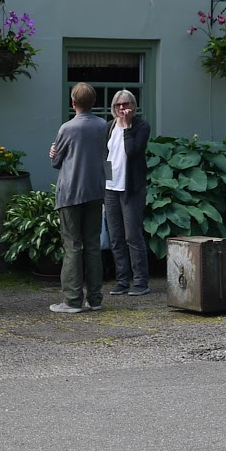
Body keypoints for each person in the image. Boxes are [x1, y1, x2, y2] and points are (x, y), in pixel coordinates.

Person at [47, 81, 108, 313]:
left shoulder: (67, 128)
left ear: (73, 102)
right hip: (95, 189)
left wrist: (53, 152)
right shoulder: (104, 125)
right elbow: (106, 155)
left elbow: (56, 160)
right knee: (93, 244)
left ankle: (72, 300)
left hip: (71, 191)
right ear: (94, 102)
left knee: (72, 245)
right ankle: (95, 299)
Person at [102, 89, 151, 295]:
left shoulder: (141, 126)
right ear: (113, 108)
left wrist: (127, 127)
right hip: (111, 188)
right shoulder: (109, 126)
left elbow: (132, 151)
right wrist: (104, 184)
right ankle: (122, 280)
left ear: (133, 105)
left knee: (133, 236)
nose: (122, 108)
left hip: (131, 189)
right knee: (116, 237)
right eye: (118, 105)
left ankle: (141, 282)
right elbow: (105, 156)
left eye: (125, 104)